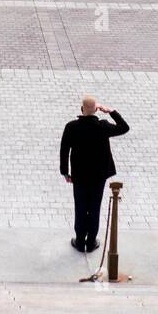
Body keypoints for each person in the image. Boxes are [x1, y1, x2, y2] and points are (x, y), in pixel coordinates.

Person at [59, 96, 130, 253]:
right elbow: (125, 128)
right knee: (94, 207)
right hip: (99, 176)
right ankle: (91, 242)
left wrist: (65, 171)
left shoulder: (71, 127)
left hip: (79, 175)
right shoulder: (103, 126)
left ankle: (79, 240)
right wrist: (111, 111)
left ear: (82, 109)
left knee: (80, 207)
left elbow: (64, 149)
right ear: (97, 110)